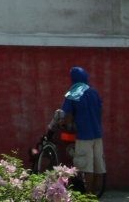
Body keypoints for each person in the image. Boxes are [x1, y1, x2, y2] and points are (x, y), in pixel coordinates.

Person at [52, 66, 105, 194]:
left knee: (87, 166)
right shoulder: (94, 92)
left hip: (84, 135)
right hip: (97, 134)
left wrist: (65, 124)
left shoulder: (73, 92)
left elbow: (68, 115)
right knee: (99, 164)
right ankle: (98, 193)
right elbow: (100, 111)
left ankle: (89, 195)